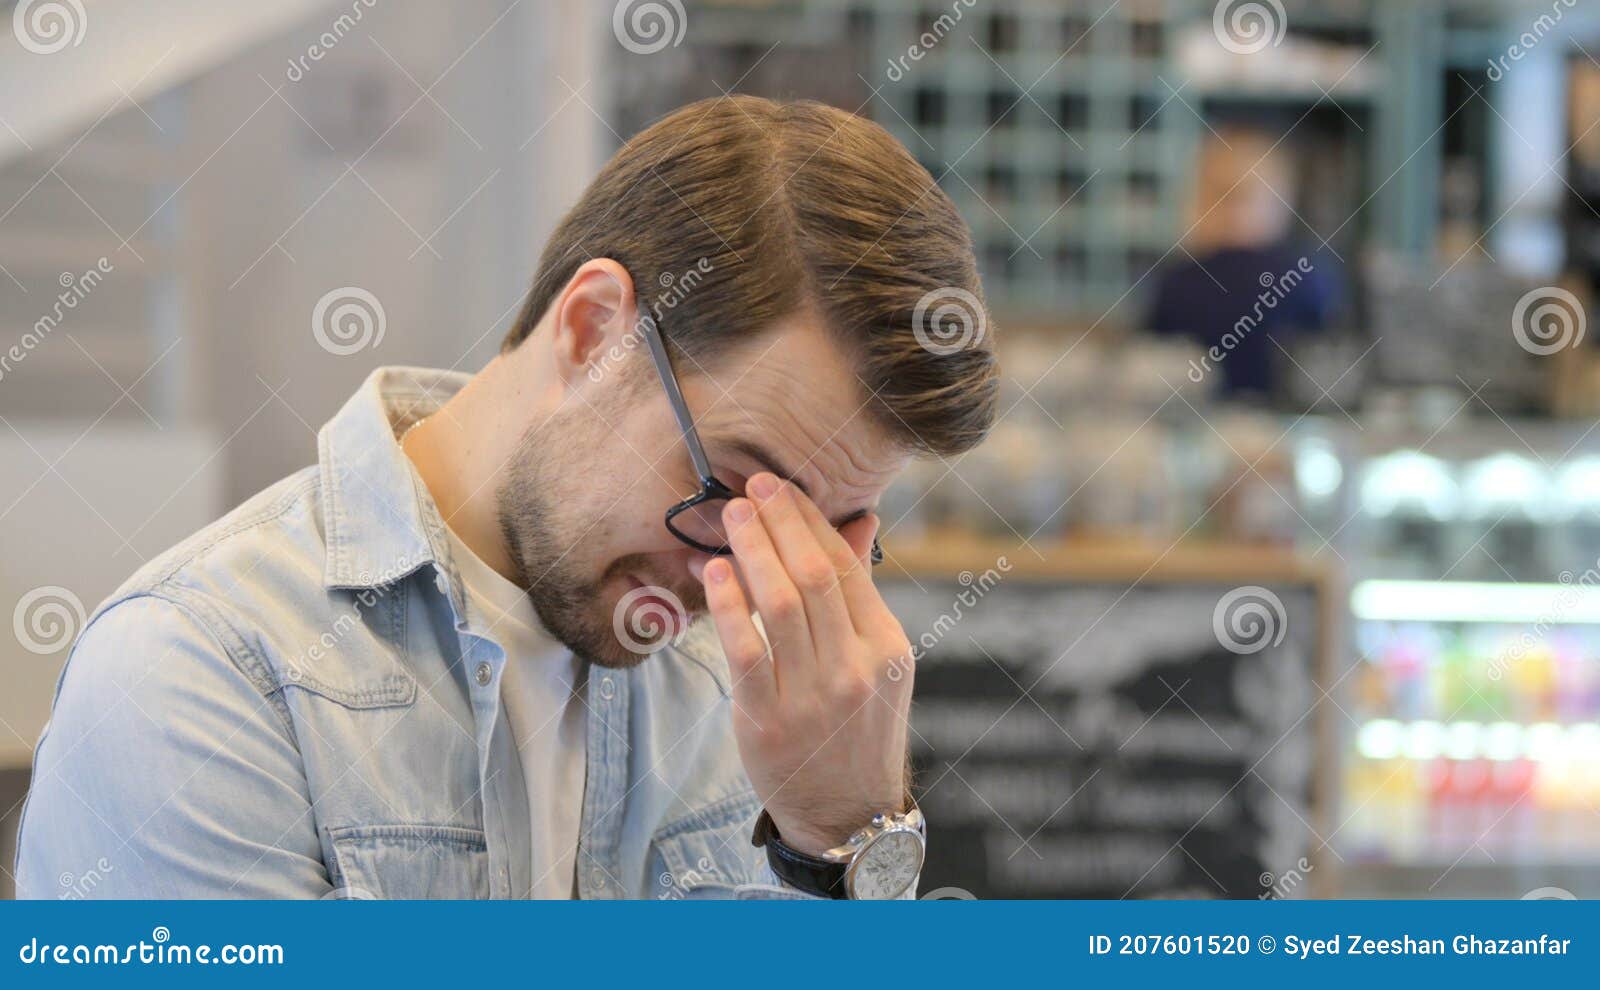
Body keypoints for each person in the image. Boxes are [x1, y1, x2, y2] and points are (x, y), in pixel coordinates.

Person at [14, 96, 998, 899]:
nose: (741, 578)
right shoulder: (203, 673)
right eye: (733, 490)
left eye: (817, 538)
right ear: (592, 329)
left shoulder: (762, 691)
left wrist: (838, 844)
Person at [1146, 127, 1344, 401]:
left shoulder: (1175, 280)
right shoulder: (1308, 276)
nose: (1235, 211)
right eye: (1223, 195)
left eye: (1244, 196)